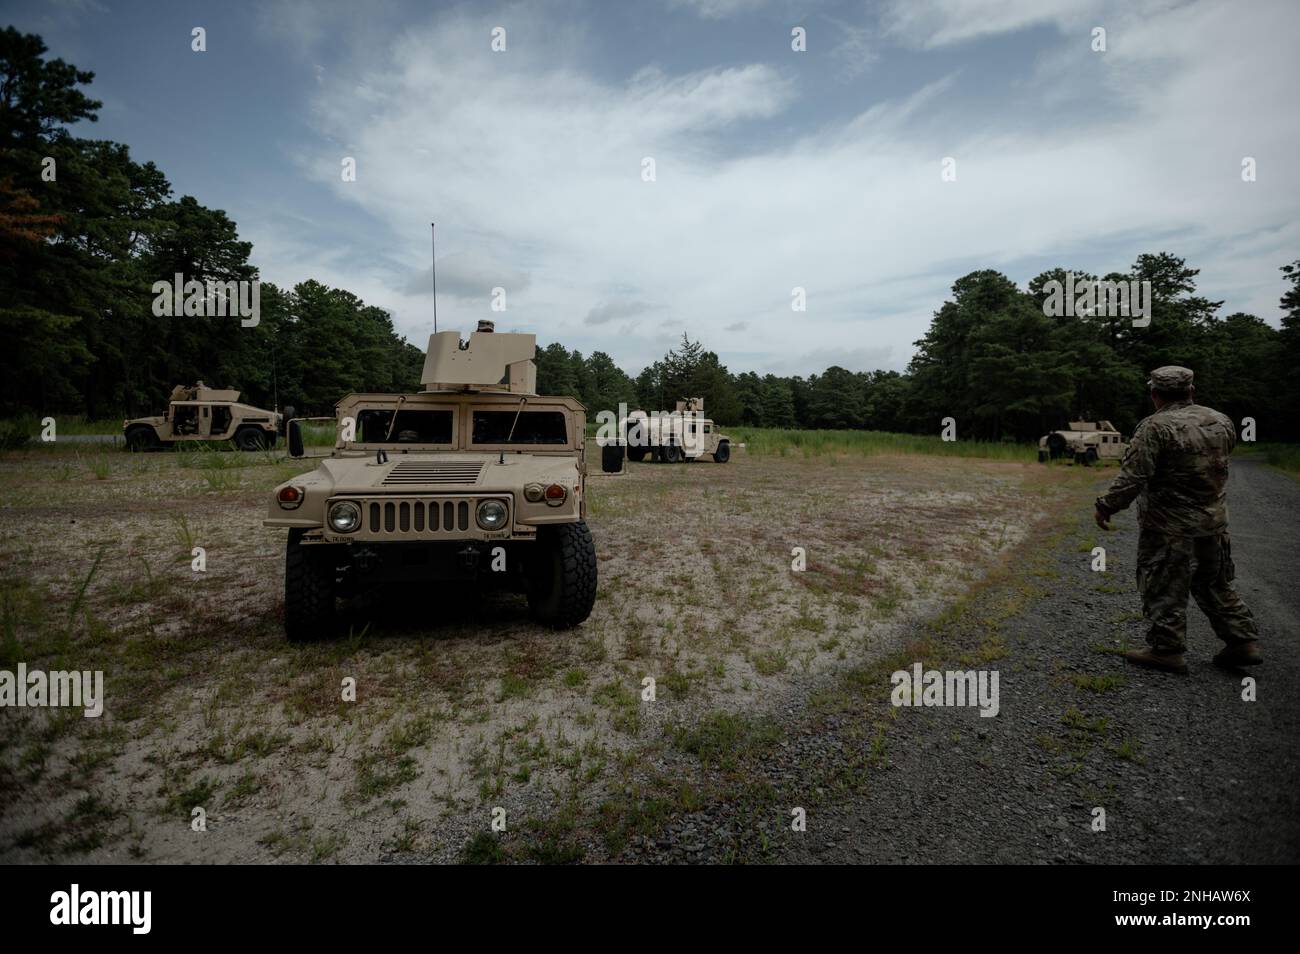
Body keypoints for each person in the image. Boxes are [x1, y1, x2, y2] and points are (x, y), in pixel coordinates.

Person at [1094, 366, 1261, 674]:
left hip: (1168, 525)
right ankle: (1242, 641)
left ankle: (1167, 650)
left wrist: (1107, 505)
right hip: (1213, 522)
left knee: (1164, 583)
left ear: (1155, 394)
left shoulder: (1155, 427)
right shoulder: (1220, 421)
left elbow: (1135, 475)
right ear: (1191, 391)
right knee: (1213, 582)